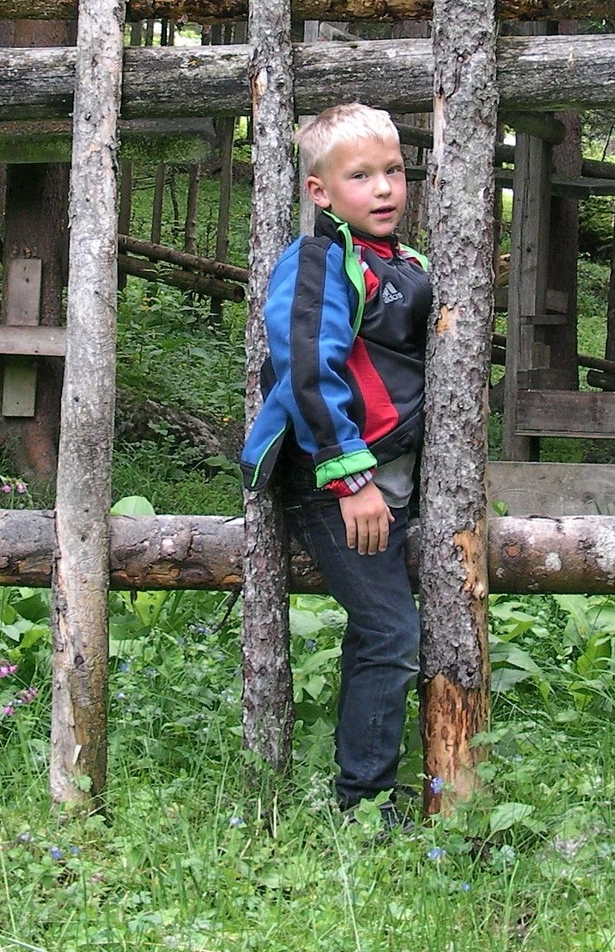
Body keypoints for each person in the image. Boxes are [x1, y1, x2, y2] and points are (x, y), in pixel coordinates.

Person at [243, 103, 430, 815]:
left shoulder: (402, 263)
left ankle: (370, 788)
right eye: (361, 177)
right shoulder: (320, 261)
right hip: (335, 485)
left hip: (392, 480)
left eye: (393, 172)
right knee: (390, 630)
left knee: (382, 626)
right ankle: (363, 806)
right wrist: (350, 478)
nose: (383, 189)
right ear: (320, 192)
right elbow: (306, 370)